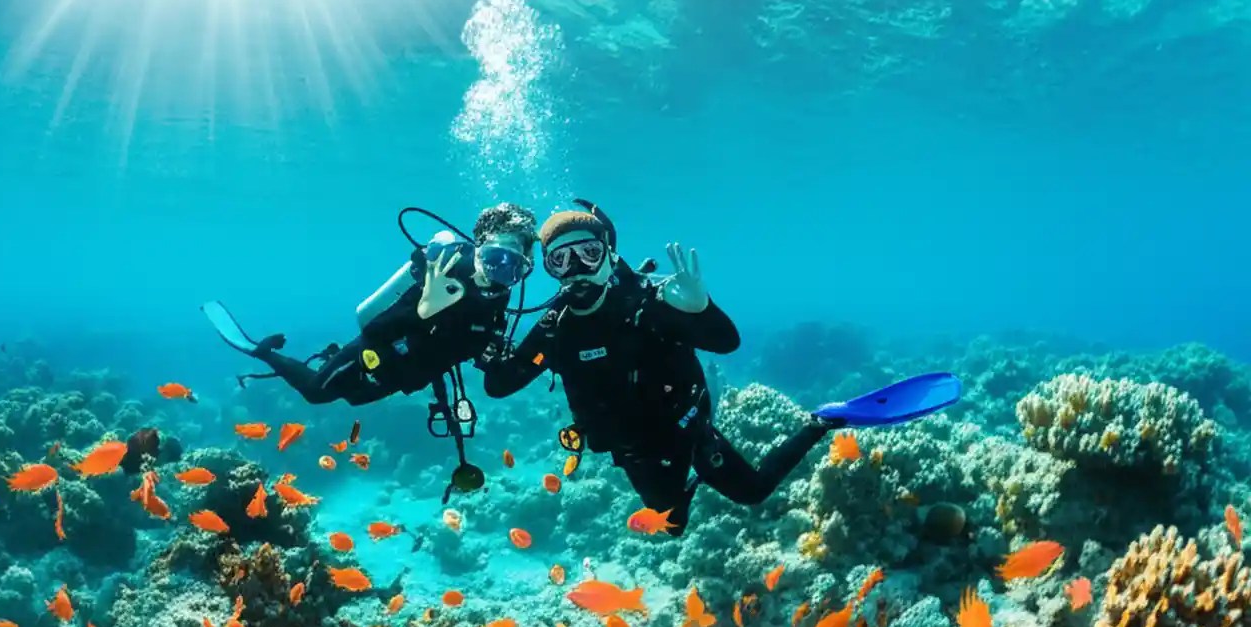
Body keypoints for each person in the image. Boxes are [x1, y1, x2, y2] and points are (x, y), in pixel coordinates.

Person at [479, 201, 834, 535]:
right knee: (673, 525)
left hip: (689, 433)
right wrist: (486, 307)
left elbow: (727, 342)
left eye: (588, 253)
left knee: (753, 491)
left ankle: (818, 424)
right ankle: (688, 487)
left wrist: (701, 308)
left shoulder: (647, 305)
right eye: (560, 260)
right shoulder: (555, 328)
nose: (576, 269)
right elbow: (500, 385)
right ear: (549, 269)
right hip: (634, 454)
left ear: (609, 255)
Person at [203, 203, 539, 497]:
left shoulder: (500, 295)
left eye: (514, 268)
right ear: (479, 247)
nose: (501, 274)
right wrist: (423, 310)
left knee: (353, 398)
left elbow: (476, 343)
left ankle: (327, 355)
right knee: (317, 392)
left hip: (413, 372)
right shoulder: (444, 266)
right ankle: (261, 351)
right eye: (495, 259)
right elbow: (373, 327)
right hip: (376, 352)